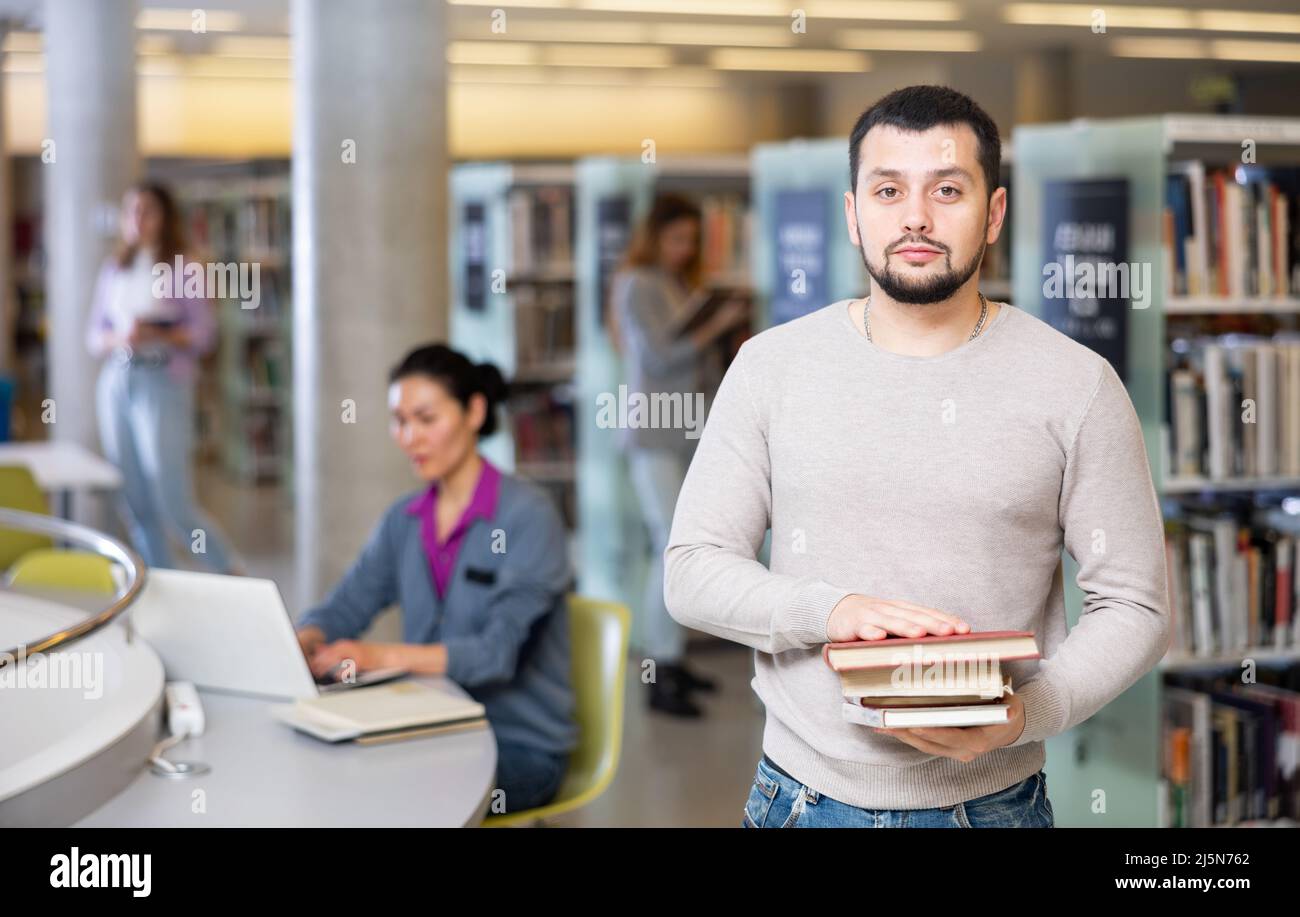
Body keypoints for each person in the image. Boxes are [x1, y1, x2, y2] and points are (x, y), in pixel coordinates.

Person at [664, 85, 1171, 827]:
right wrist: (831, 610)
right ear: (852, 212)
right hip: (797, 800)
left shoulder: (1076, 384)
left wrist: (1028, 712)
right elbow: (691, 570)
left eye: (948, 189)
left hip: (992, 803)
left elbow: (1138, 605)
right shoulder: (770, 366)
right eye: (889, 189)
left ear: (994, 212)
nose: (916, 217)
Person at [296, 343, 577, 814]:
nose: (409, 437)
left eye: (426, 419)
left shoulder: (529, 517)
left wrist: (372, 655)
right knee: (324, 773)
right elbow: (347, 605)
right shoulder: (404, 520)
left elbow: (496, 653)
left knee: (388, 800)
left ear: (474, 411)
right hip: (427, 724)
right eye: (399, 420)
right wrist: (307, 637)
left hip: (518, 745)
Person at [610, 192, 748, 718]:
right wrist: (715, 324)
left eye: (691, 242)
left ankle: (673, 659)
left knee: (686, 545)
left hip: (690, 428)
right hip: (654, 433)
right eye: (675, 240)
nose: (682, 250)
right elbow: (661, 355)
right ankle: (658, 670)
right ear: (654, 237)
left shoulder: (678, 284)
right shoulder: (637, 284)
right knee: (673, 549)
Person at [86, 181, 240, 574]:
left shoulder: (184, 267)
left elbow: (205, 336)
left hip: (163, 381)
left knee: (173, 499)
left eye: (147, 210)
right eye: (131, 211)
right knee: (135, 500)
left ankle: (231, 576)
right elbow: (94, 335)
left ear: (164, 217)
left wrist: (159, 333)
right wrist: (121, 337)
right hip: (119, 380)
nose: (138, 220)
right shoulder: (115, 268)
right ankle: (160, 582)